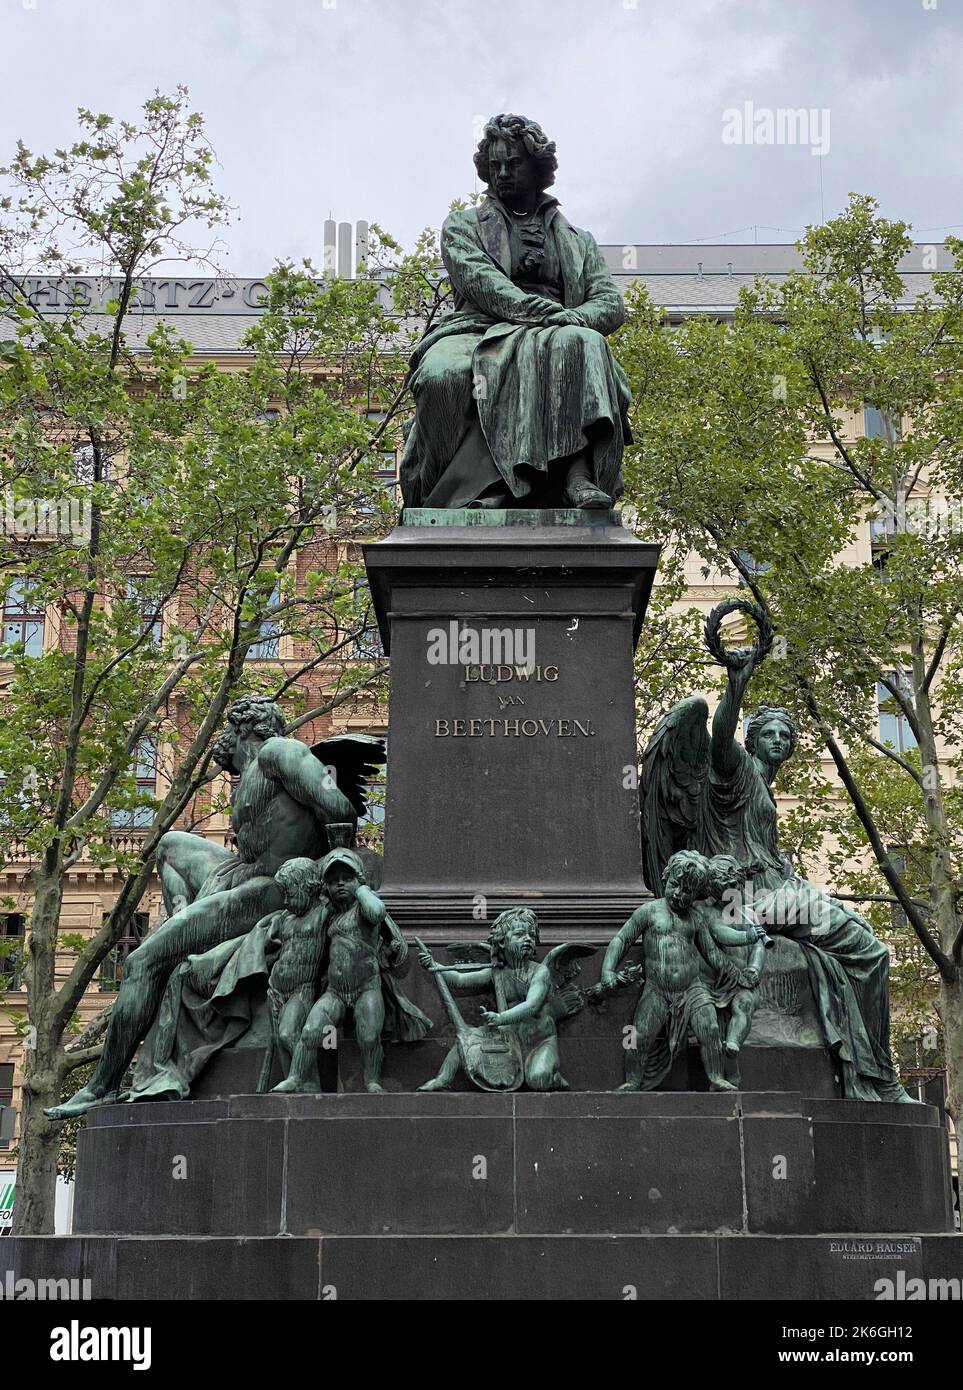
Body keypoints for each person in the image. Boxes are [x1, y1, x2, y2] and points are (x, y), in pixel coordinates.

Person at [46, 698, 374, 1119]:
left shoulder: (280, 751)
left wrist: (335, 886)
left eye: (225, 732)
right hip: (242, 874)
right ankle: (187, 946)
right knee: (171, 845)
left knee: (143, 960)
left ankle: (101, 1086)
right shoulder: (255, 773)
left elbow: (340, 809)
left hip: (272, 888)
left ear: (241, 729)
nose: (220, 743)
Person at [399, 113, 631, 510]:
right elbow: (481, 282)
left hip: (556, 330)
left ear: (538, 165)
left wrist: (571, 318)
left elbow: (610, 303)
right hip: (477, 328)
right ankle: (453, 496)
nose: (502, 173)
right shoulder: (462, 226)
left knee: (583, 344)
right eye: (495, 166)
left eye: (514, 163)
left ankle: (575, 478)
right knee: (444, 375)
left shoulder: (579, 241)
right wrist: (536, 312)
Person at [272, 849, 430, 1094]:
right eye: (334, 882)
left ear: (359, 879)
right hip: (334, 991)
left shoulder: (363, 908)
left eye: (347, 878)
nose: (340, 884)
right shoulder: (331, 913)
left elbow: (378, 912)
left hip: (366, 986)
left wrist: (363, 890)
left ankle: (371, 1080)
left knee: (368, 1038)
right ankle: (296, 1077)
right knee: (311, 1030)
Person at [602, 851, 750, 1092]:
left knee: (710, 1029)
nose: (679, 894)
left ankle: (715, 1078)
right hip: (657, 990)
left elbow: (712, 954)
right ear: (665, 877)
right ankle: (633, 1081)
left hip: (692, 988)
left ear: (696, 894)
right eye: (674, 885)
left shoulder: (695, 918)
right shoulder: (649, 911)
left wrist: (738, 975)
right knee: (638, 1035)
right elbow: (621, 939)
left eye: (687, 892)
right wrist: (608, 970)